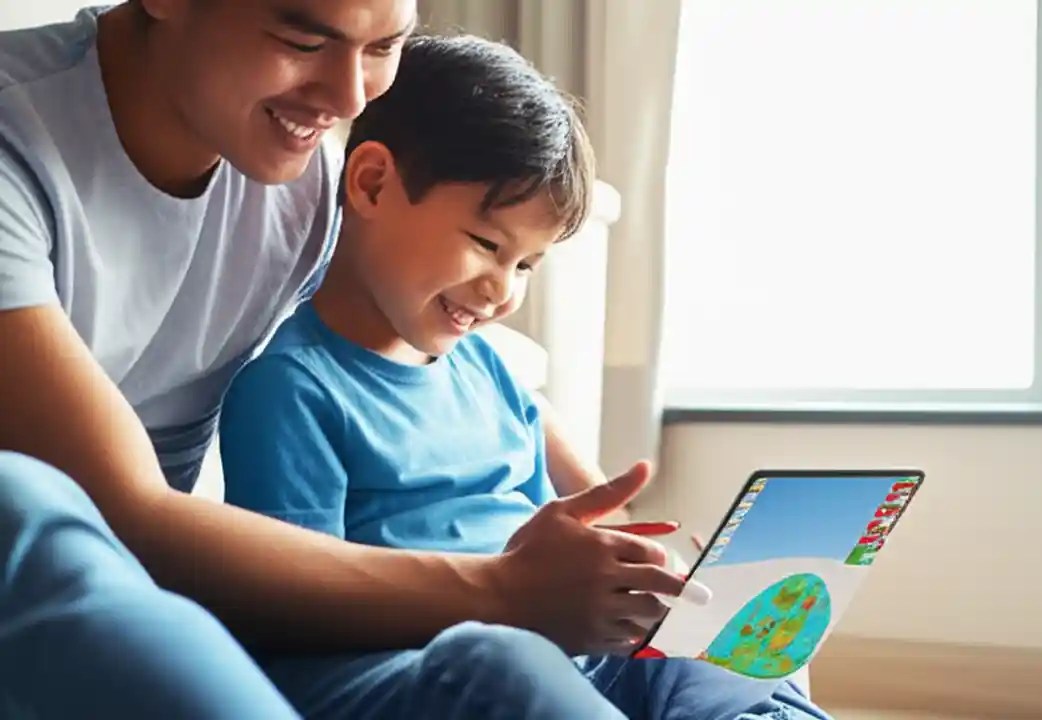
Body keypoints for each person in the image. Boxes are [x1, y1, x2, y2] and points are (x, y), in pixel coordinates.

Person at [0, 1, 695, 717]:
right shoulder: (18, 144)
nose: (350, 99)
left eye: (385, 47)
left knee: (702, 665)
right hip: (70, 569)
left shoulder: (296, 163)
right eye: (303, 39)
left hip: (152, 582)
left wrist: (590, 503)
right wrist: (505, 590)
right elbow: (126, 516)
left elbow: (423, 313)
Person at [217, 33, 831, 720]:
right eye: (486, 244)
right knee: (501, 659)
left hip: (566, 653)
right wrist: (513, 605)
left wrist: (641, 586)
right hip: (422, 664)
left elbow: (577, 522)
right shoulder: (292, 386)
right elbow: (294, 612)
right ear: (371, 184)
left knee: (748, 630)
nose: (502, 291)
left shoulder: (488, 369)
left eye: (527, 266)